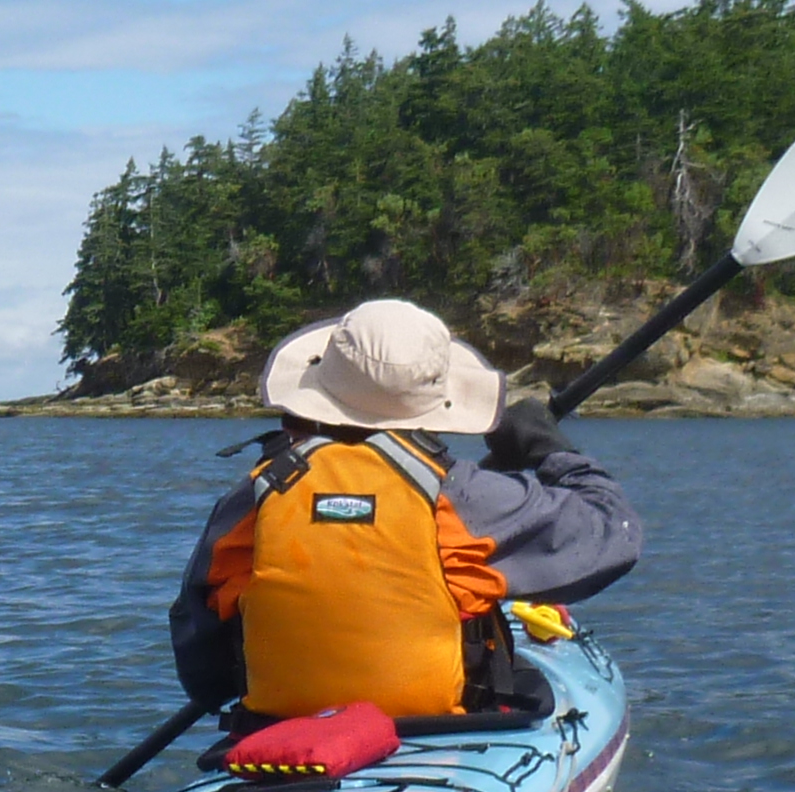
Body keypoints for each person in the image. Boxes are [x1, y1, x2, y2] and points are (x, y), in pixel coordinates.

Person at [165, 297, 643, 719]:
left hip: (279, 726)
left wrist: (237, 684)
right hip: (438, 726)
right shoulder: (465, 498)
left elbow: (198, 648)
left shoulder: (253, 497)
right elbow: (612, 530)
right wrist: (546, 446)